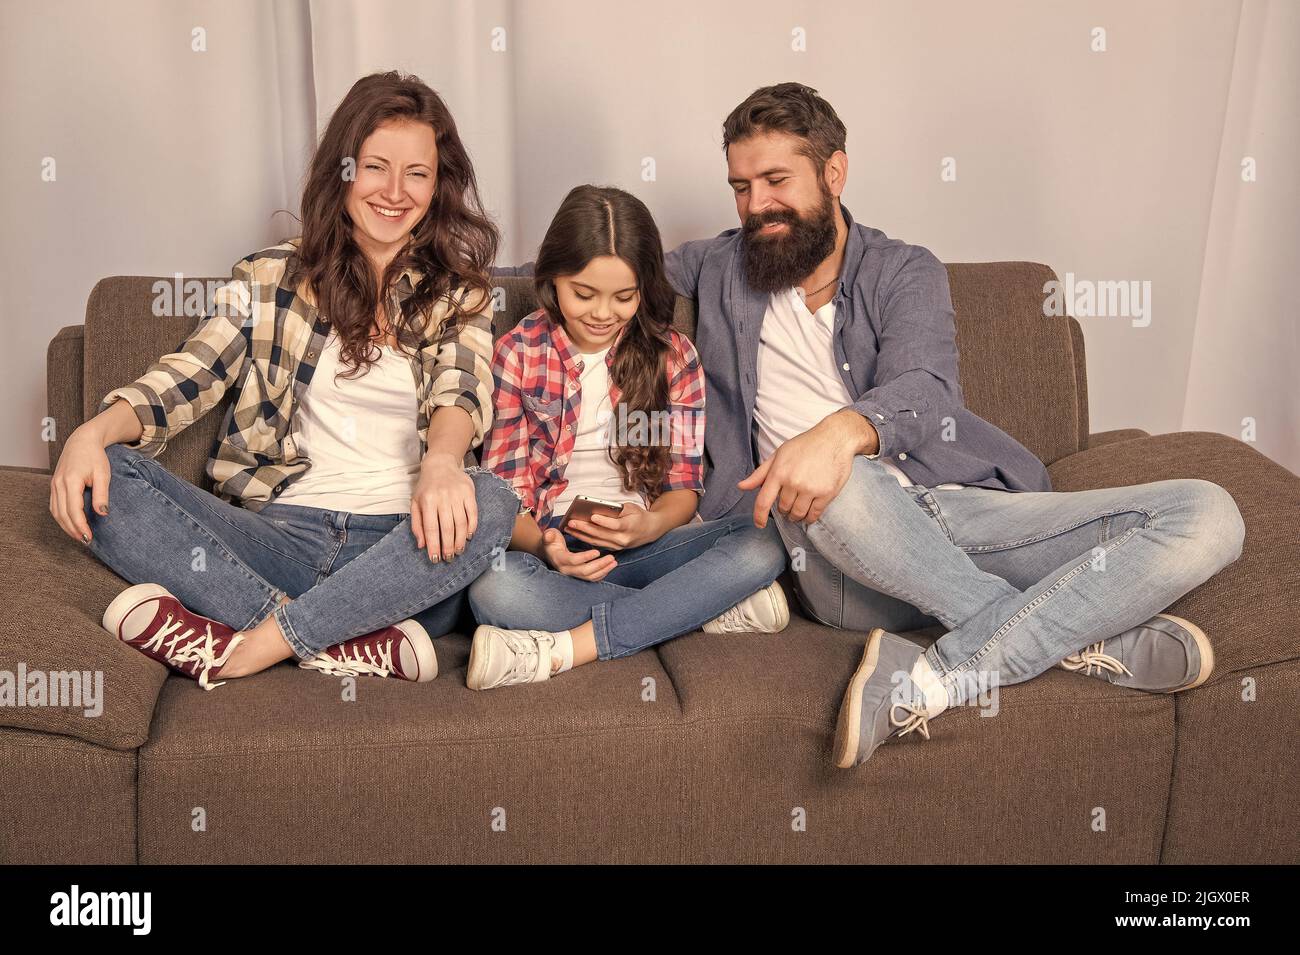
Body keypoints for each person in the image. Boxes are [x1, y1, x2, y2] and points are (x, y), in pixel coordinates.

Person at [659, 82, 1243, 766]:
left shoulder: (904, 270)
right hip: (834, 550)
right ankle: (1089, 642)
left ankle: (935, 674)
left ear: (834, 171)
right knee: (832, 480)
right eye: (740, 186)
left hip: (962, 516)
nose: (756, 205)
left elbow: (927, 390)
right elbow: (594, 267)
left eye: (776, 180)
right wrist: (502, 286)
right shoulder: (717, 265)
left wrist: (839, 430)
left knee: (1210, 515)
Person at [48, 71, 521, 690]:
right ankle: (346, 641)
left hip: (404, 550)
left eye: (418, 173)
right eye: (377, 167)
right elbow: (189, 376)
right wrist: (89, 433)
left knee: (494, 504)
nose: (395, 192)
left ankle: (253, 643)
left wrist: (443, 463)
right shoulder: (269, 276)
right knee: (104, 477)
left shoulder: (460, 291)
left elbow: (462, 388)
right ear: (344, 171)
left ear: (438, 186)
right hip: (282, 538)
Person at [466, 185, 790, 690]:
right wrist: (550, 548)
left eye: (624, 296)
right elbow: (504, 496)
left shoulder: (671, 355)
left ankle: (574, 640)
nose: (602, 313)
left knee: (763, 542)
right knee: (494, 589)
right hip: (555, 549)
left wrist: (649, 525)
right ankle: (697, 609)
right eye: (584, 294)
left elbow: (683, 486)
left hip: (645, 545)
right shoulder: (518, 352)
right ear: (552, 281)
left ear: (644, 288)